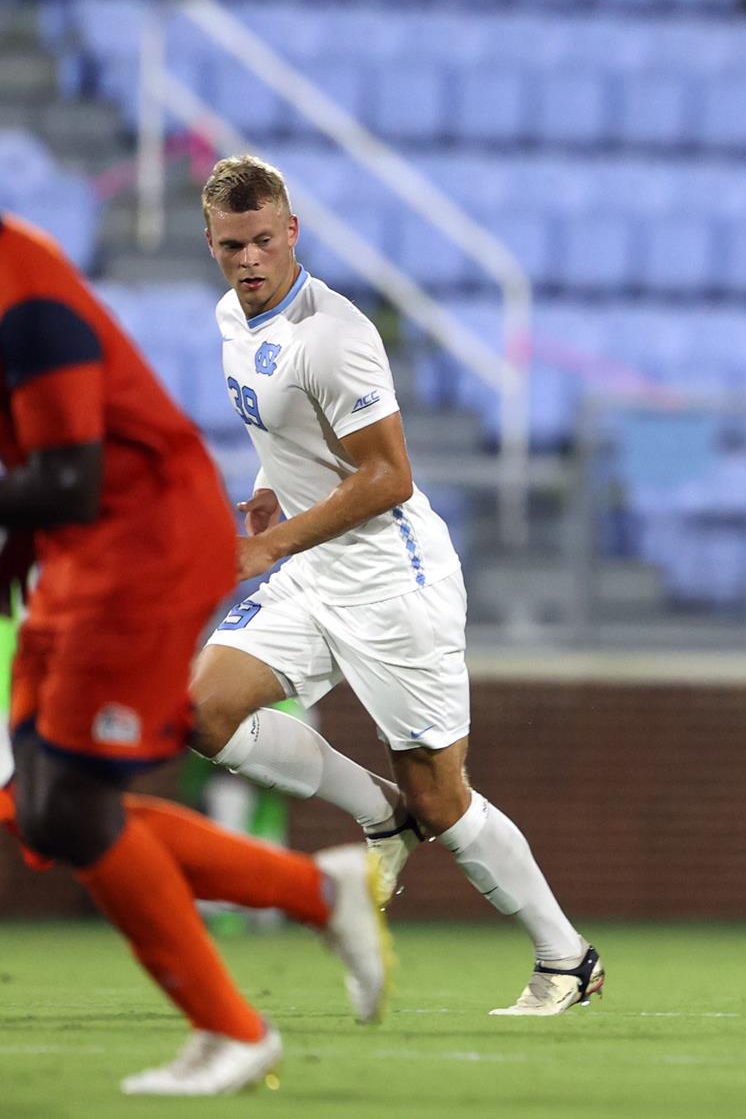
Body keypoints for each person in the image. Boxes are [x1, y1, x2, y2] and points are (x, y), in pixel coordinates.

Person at [185, 155, 601, 1015]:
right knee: (202, 710)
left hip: (390, 581)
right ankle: (381, 814)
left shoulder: (334, 334)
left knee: (443, 797)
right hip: (316, 571)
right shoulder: (233, 317)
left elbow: (390, 477)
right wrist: (275, 486)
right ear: (212, 243)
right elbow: (293, 426)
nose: (250, 260)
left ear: (293, 232)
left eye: (264, 240)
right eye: (233, 246)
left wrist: (271, 544)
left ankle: (567, 959)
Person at [0, 212, 388, 1094]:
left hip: (142, 544)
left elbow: (71, 473)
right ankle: (318, 893)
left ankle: (234, 1029)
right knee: (40, 808)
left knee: (74, 808)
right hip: (79, 551)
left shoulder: (25, 295)